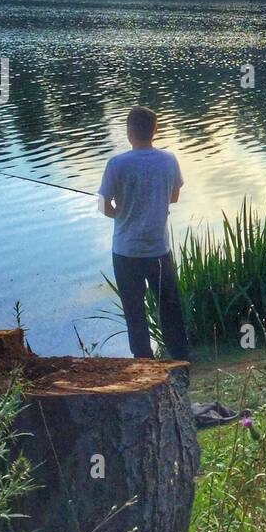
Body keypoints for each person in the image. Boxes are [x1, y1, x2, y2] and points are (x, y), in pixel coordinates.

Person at [98, 106, 190, 360]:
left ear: (129, 132)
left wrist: (119, 213)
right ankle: (180, 358)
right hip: (159, 250)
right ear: (155, 130)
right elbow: (174, 196)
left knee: (134, 311)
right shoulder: (169, 159)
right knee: (169, 308)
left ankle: (144, 364)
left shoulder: (116, 163)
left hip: (126, 252)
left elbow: (102, 205)